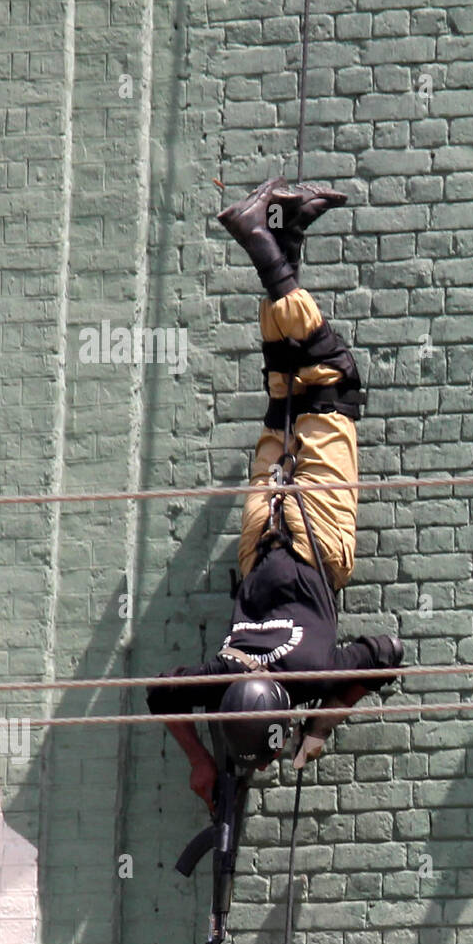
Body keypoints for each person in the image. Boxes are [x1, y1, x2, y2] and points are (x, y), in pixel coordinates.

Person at [146, 177, 403, 809]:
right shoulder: (221, 677)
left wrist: (322, 722)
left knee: (334, 381)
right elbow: (159, 691)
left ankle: (258, 236)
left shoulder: (308, 675)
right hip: (260, 537)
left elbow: (385, 653)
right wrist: (201, 763)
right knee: (289, 391)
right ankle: (288, 233)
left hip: (317, 533)